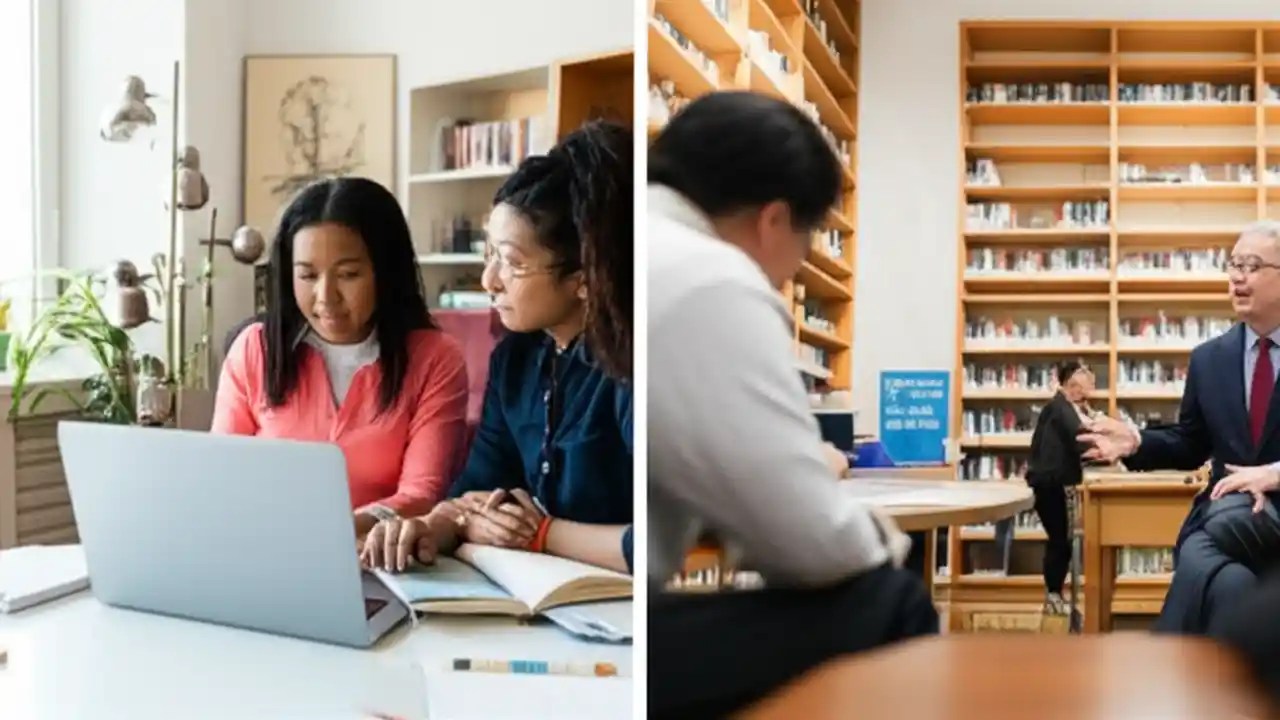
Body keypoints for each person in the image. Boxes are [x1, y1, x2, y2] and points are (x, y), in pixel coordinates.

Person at [644, 91, 936, 718]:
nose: (795, 272)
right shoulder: (712, 278)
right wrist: (873, 530)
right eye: (808, 240)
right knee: (891, 598)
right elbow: (813, 544)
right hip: (633, 633)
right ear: (774, 220)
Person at [360, 121, 635, 575]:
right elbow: (473, 491)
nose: (489, 281)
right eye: (490, 254)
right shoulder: (518, 359)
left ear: (583, 280)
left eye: (512, 263)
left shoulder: (633, 368)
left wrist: (542, 533)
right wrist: (430, 527)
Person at [213, 177, 470, 536]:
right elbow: (220, 477)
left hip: (377, 563)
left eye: (348, 275)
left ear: (386, 272)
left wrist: (336, 531)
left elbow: (421, 494)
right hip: (262, 548)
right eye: (307, 275)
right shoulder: (255, 349)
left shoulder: (435, 359)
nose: (325, 297)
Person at [1082, 220, 1280, 635]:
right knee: (1231, 584)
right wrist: (1137, 441)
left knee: (1207, 546)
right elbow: (1191, 443)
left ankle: (1170, 659)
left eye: (1252, 265)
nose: (1237, 276)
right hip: (1227, 510)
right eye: (1233, 264)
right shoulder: (1209, 359)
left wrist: (1274, 473)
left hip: (1270, 514)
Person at [1026, 361, 1094, 614]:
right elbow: (1080, 438)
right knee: (1061, 539)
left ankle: (1054, 594)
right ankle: (1053, 595)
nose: (1084, 392)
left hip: (1048, 482)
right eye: (1080, 386)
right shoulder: (1061, 408)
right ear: (1069, 385)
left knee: (1060, 538)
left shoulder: (1061, 407)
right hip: (1053, 484)